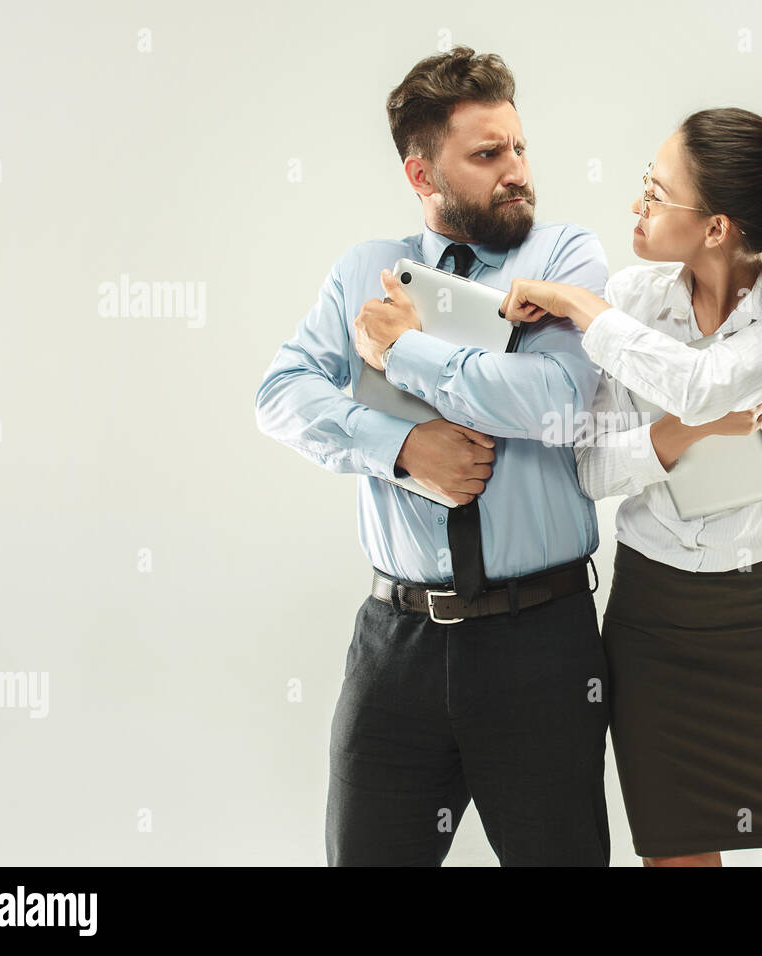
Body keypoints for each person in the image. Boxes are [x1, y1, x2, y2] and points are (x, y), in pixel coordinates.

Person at [254, 46, 613, 866]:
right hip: (396, 646)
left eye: (519, 147)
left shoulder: (563, 259)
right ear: (423, 177)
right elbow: (281, 395)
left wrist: (406, 354)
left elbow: (558, 403)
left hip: (541, 643)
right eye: (488, 156)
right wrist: (404, 449)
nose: (516, 170)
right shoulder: (362, 272)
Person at [499, 107, 762, 866]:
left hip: (760, 620)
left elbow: (700, 383)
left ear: (716, 228)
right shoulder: (631, 302)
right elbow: (592, 467)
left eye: (656, 192)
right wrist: (678, 436)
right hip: (651, 626)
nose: (638, 204)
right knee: (675, 856)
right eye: (645, 183)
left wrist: (577, 305)